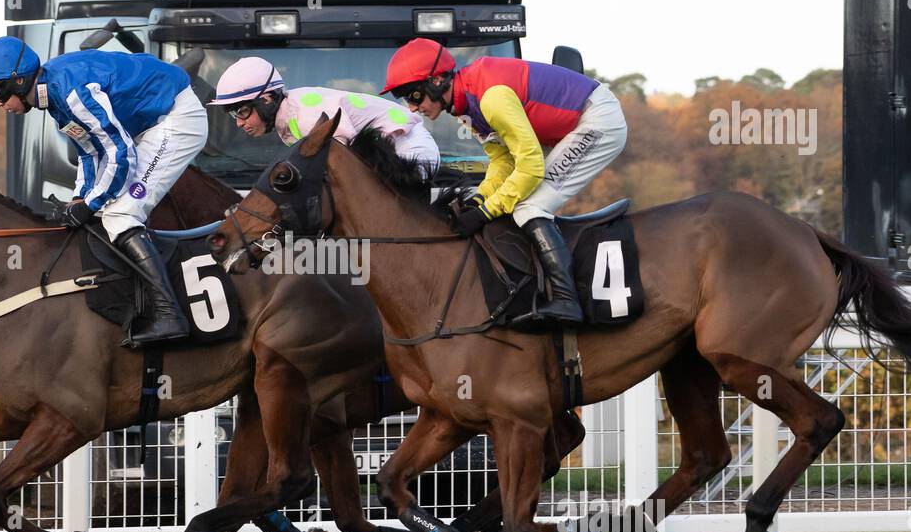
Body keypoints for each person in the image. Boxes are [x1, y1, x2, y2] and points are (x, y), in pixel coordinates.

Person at [0, 36, 208, 345]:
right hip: (151, 123)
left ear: (19, 80)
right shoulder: (53, 96)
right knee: (102, 211)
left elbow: (121, 153)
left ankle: (169, 315)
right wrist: (80, 197)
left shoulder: (72, 95)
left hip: (177, 119)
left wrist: (92, 203)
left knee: (120, 213)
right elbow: (90, 153)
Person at [381, 38, 628, 323]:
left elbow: (530, 167)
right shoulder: (464, 107)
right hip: (570, 125)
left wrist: (486, 212)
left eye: (413, 96)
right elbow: (503, 162)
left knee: (529, 207)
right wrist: (479, 198)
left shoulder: (491, 98)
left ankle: (566, 299)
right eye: (405, 99)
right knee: (517, 201)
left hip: (598, 121)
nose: (412, 108)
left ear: (437, 81)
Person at [208, 57, 440, 176]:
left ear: (267, 99)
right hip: (393, 148)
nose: (239, 123)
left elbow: (346, 163)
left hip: (409, 145)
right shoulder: (288, 119)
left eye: (242, 111)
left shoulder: (304, 117)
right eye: (233, 115)